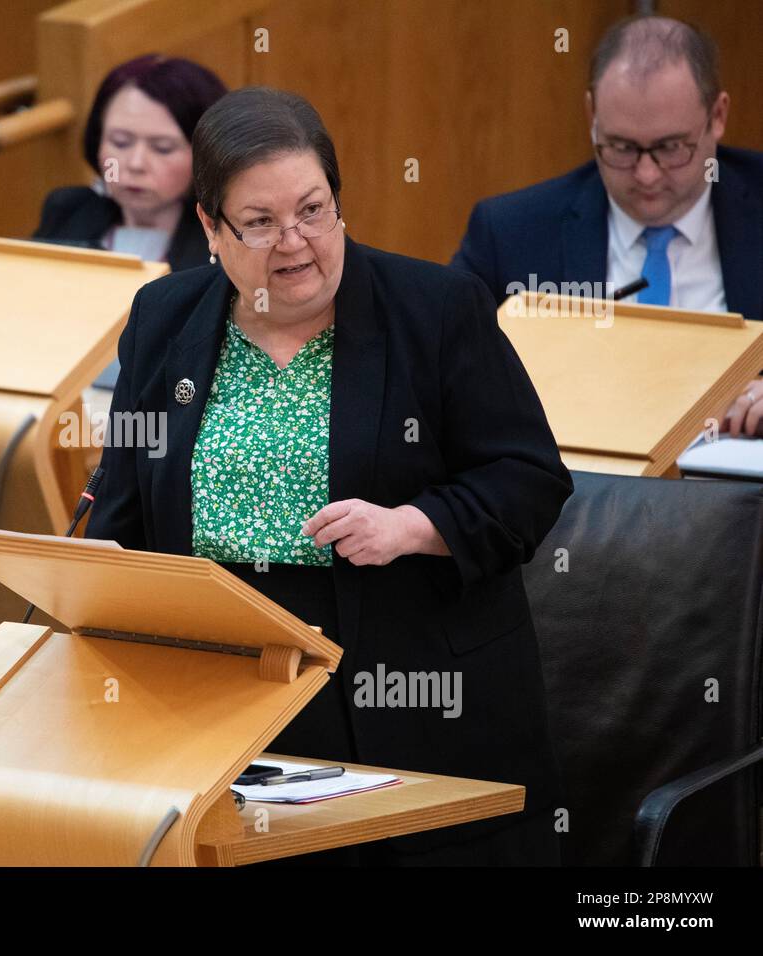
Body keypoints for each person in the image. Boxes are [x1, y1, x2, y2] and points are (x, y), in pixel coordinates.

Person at [87, 87, 573, 865]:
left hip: (408, 695)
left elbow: (530, 477)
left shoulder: (436, 310)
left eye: (313, 210)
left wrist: (412, 525)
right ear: (210, 227)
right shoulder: (164, 317)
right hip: (220, 707)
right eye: (260, 222)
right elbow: (121, 517)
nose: (294, 242)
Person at [451, 15, 762, 329]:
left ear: (718, 116)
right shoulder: (509, 237)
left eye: (670, 147)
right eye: (622, 147)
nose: (646, 175)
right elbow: (437, 364)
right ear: (592, 117)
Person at [33, 54, 227, 273]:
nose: (136, 164)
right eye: (120, 142)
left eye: (162, 148)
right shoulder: (67, 210)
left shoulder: (227, 239)